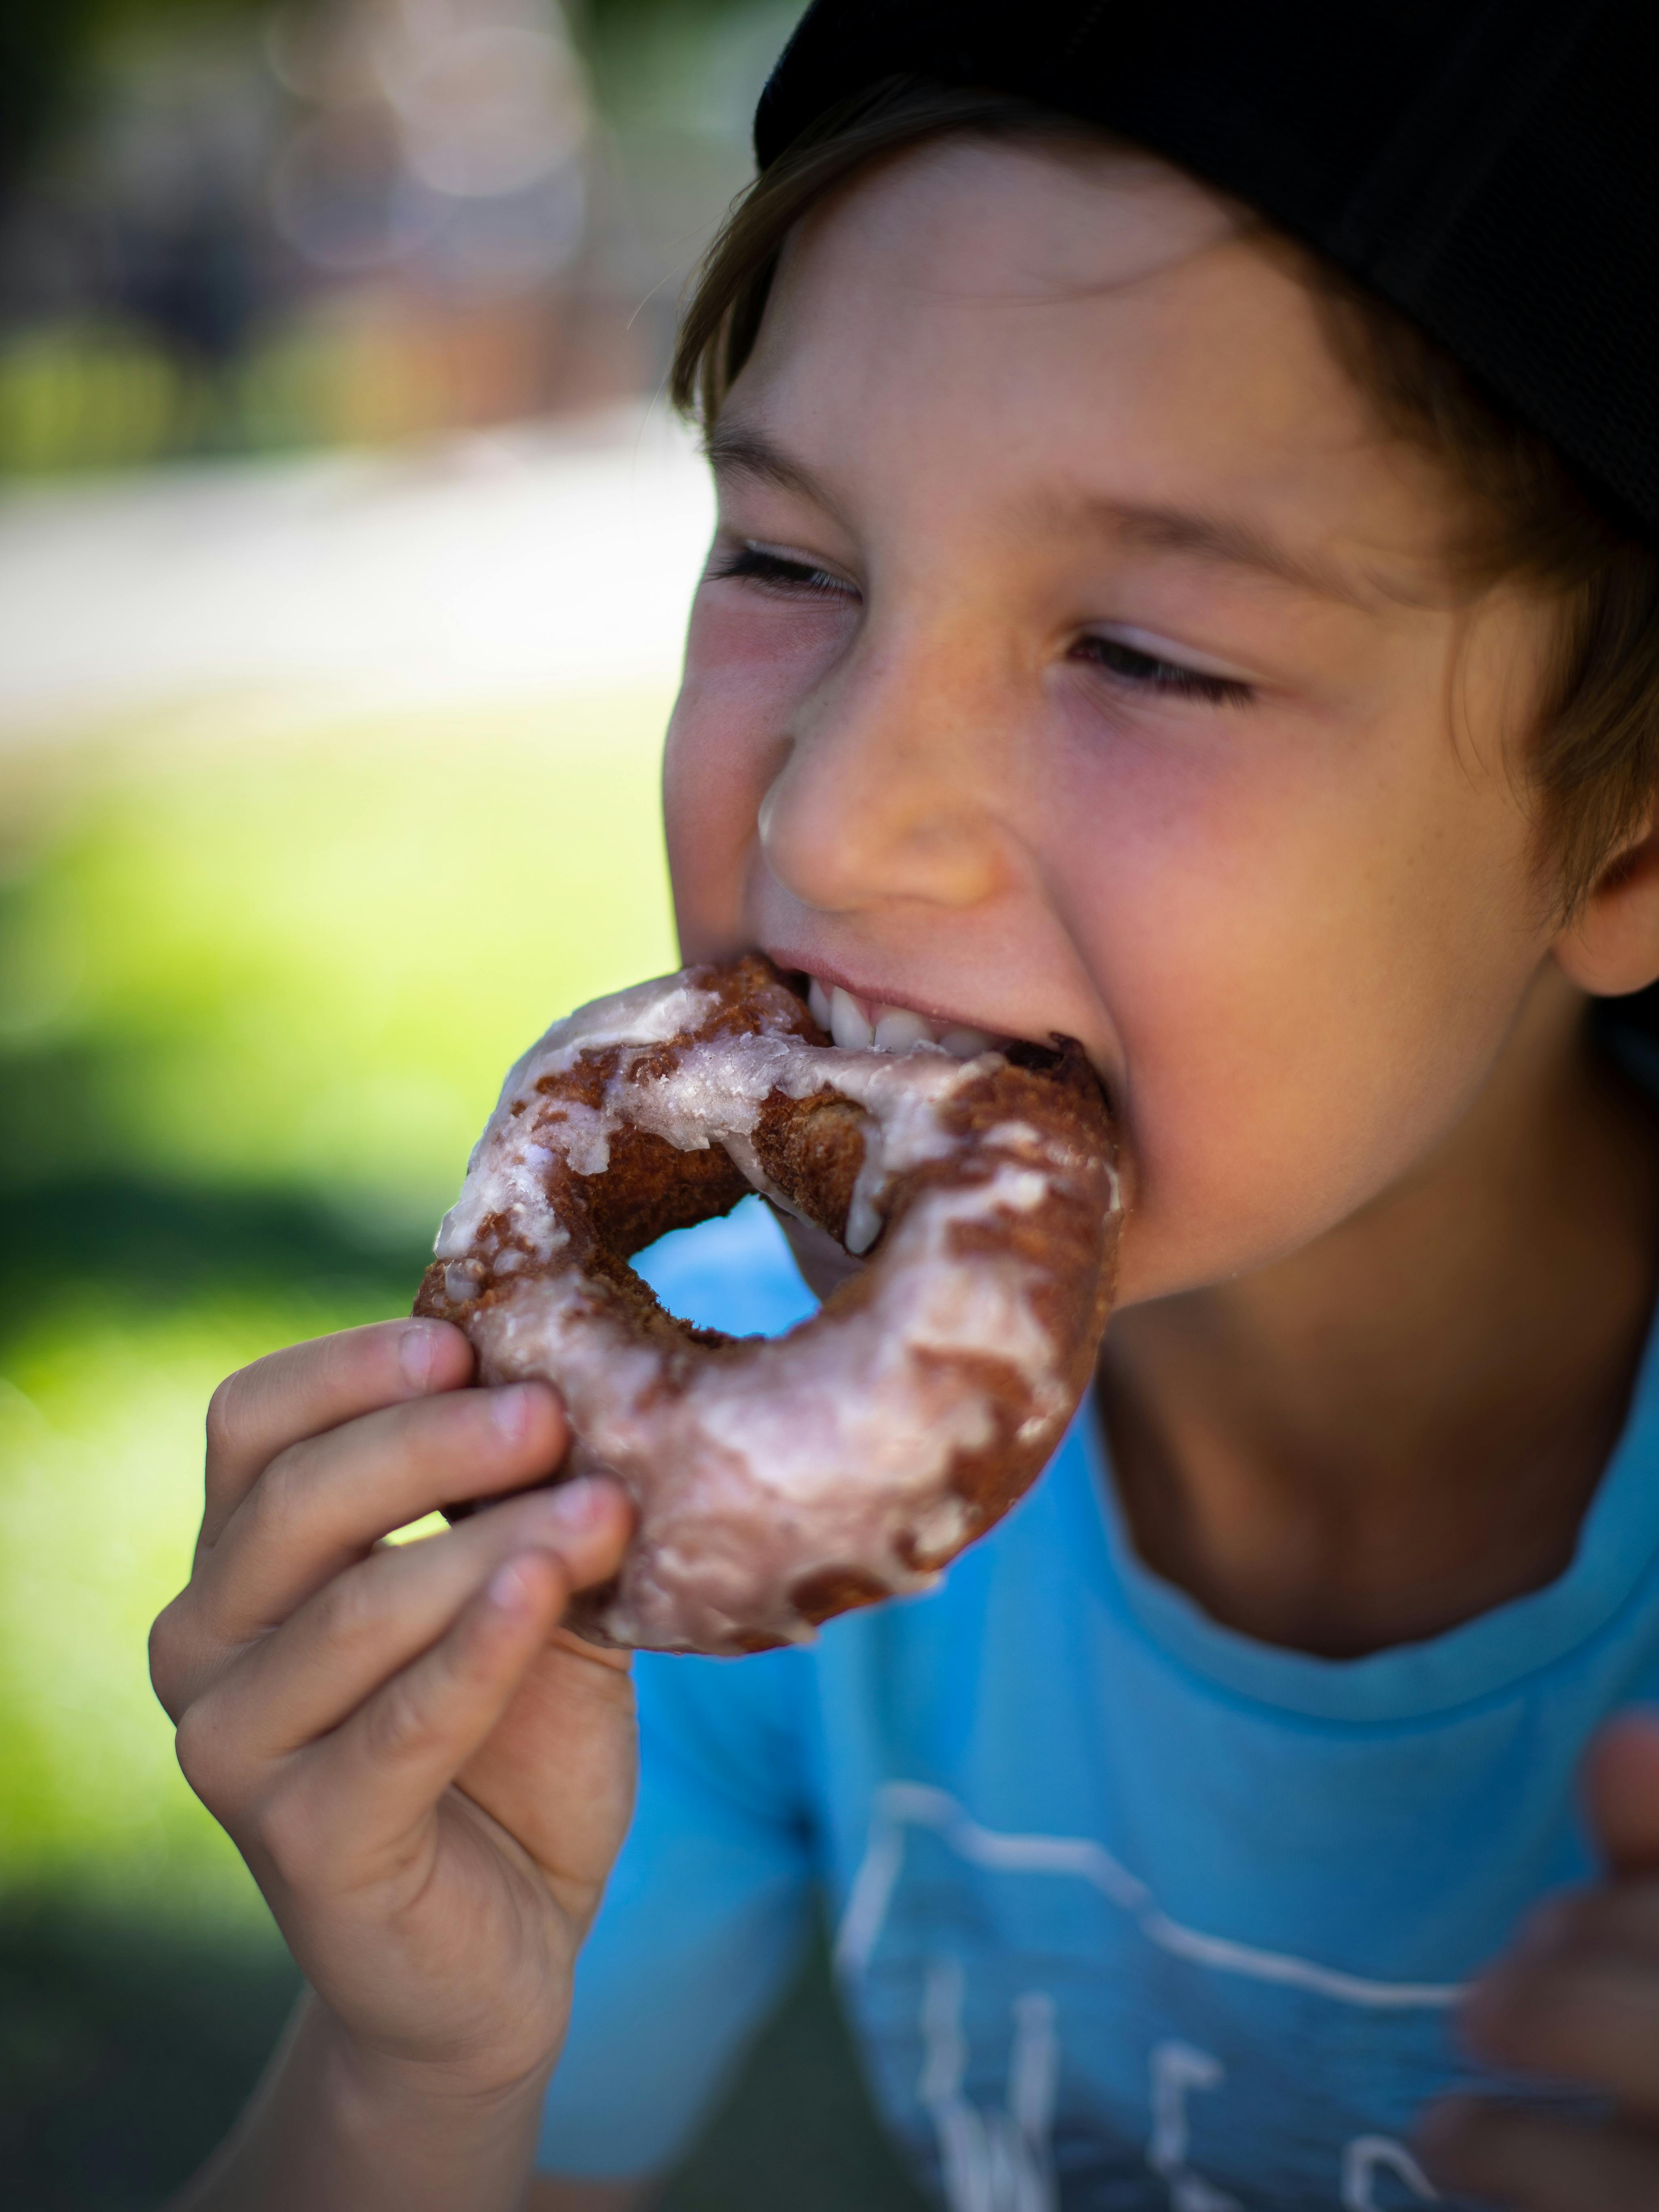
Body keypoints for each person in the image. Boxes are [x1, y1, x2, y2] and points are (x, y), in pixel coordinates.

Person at [148, 4, 1659, 2206]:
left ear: (1621, 835)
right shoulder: (737, 1503)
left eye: (1143, 653)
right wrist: (417, 2073)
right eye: (784, 564)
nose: (837, 820)